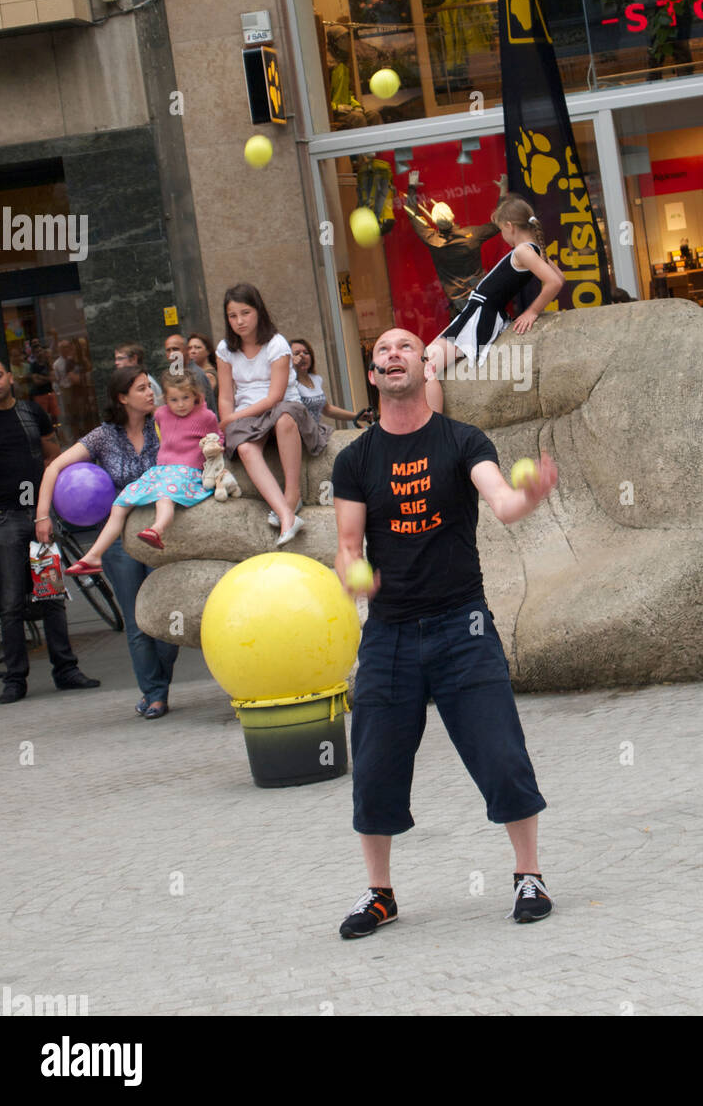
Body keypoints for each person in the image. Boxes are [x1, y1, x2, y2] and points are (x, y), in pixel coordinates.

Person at [332, 327, 558, 938]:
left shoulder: (463, 440)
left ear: (426, 369)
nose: (394, 354)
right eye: (382, 350)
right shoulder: (354, 460)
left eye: (406, 346)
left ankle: (528, 875)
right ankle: (379, 894)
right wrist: (355, 577)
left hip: (464, 622)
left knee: (500, 750)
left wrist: (529, 495)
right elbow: (348, 546)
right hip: (390, 632)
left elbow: (503, 503)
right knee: (375, 764)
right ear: (374, 375)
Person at [37, 367, 177, 719]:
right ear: (122, 397)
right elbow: (54, 468)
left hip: (162, 533)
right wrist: (42, 515)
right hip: (118, 539)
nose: (150, 393)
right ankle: (155, 693)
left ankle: (158, 684)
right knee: (136, 618)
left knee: (167, 616)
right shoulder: (102, 437)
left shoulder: (163, 424)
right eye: (142, 388)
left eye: (150, 387)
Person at [0, 356, 100, 704]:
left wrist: (47, 508)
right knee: (9, 604)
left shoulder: (30, 413)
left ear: (9, 377)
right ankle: (15, 680)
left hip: (37, 517)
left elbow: (53, 457)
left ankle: (66, 669)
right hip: (2, 519)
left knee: (51, 595)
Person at [65, 369, 220, 571]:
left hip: (186, 471)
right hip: (160, 471)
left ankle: (157, 529)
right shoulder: (162, 414)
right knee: (120, 504)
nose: (180, 404)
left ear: (196, 397)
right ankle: (94, 556)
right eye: (173, 399)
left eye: (185, 398)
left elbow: (217, 436)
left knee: (165, 496)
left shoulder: (205, 416)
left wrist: (215, 447)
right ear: (165, 399)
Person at [424, 195, 565, 414]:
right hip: (475, 312)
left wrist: (532, 311)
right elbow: (560, 278)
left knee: (427, 368)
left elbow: (555, 282)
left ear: (509, 226)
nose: (503, 237)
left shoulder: (523, 251)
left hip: (480, 315)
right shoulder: (533, 250)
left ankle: (433, 430)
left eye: (501, 230)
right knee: (426, 358)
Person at [216, 283, 329, 546]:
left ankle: (293, 494)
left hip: (281, 407)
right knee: (244, 449)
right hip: (247, 414)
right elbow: (225, 395)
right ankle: (286, 515)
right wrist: (228, 420)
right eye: (232, 316)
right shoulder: (225, 349)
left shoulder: (277, 344)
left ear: (258, 312)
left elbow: (275, 396)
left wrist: (234, 417)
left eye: (245, 313)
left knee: (284, 416)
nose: (239, 321)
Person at [403, 172, 509, 318]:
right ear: (452, 216)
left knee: (459, 340)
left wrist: (411, 187)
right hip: (484, 299)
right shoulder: (472, 235)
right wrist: (503, 190)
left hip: (459, 309)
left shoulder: (433, 240)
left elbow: (413, 214)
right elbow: (498, 224)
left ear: (434, 221)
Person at [290, 338, 357, 424]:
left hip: (316, 432)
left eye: (306, 353)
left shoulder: (316, 379)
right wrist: (290, 366)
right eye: (297, 353)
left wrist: (357, 416)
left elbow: (327, 409)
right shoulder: (290, 383)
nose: (302, 355)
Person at [164, 332, 216, 415]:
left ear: (186, 350)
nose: (172, 354)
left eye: (175, 349)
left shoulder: (196, 375)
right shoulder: (171, 375)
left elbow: (205, 409)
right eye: (168, 350)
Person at [187, 332, 218, 397]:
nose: (192, 351)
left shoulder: (208, 375)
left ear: (208, 351)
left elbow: (201, 400)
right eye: (189, 348)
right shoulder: (194, 371)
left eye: (198, 347)